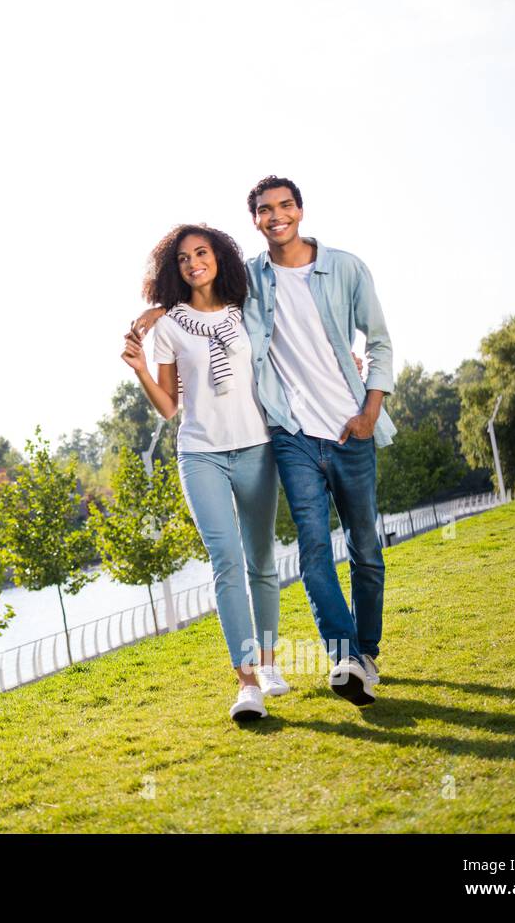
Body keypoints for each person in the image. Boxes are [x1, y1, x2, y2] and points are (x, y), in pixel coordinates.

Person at [131, 176, 396, 707]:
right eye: (264, 210)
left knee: (340, 552)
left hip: (307, 436)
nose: (276, 217)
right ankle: (297, 669)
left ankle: (354, 656)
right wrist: (153, 324)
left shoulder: (305, 279)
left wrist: (368, 402)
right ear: (254, 220)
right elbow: (175, 381)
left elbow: (368, 341)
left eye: (284, 206)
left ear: (300, 210)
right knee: (282, 554)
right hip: (259, 440)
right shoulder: (221, 297)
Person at [121, 223, 286, 723]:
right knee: (226, 562)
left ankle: (273, 662)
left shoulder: (249, 309)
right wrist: (141, 371)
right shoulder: (169, 328)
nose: (194, 263)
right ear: (173, 269)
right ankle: (247, 682)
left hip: (257, 447)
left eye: (202, 253)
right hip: (201, 454)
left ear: (219, 257)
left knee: (261, 561)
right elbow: (169, 408)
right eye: (183, 259)